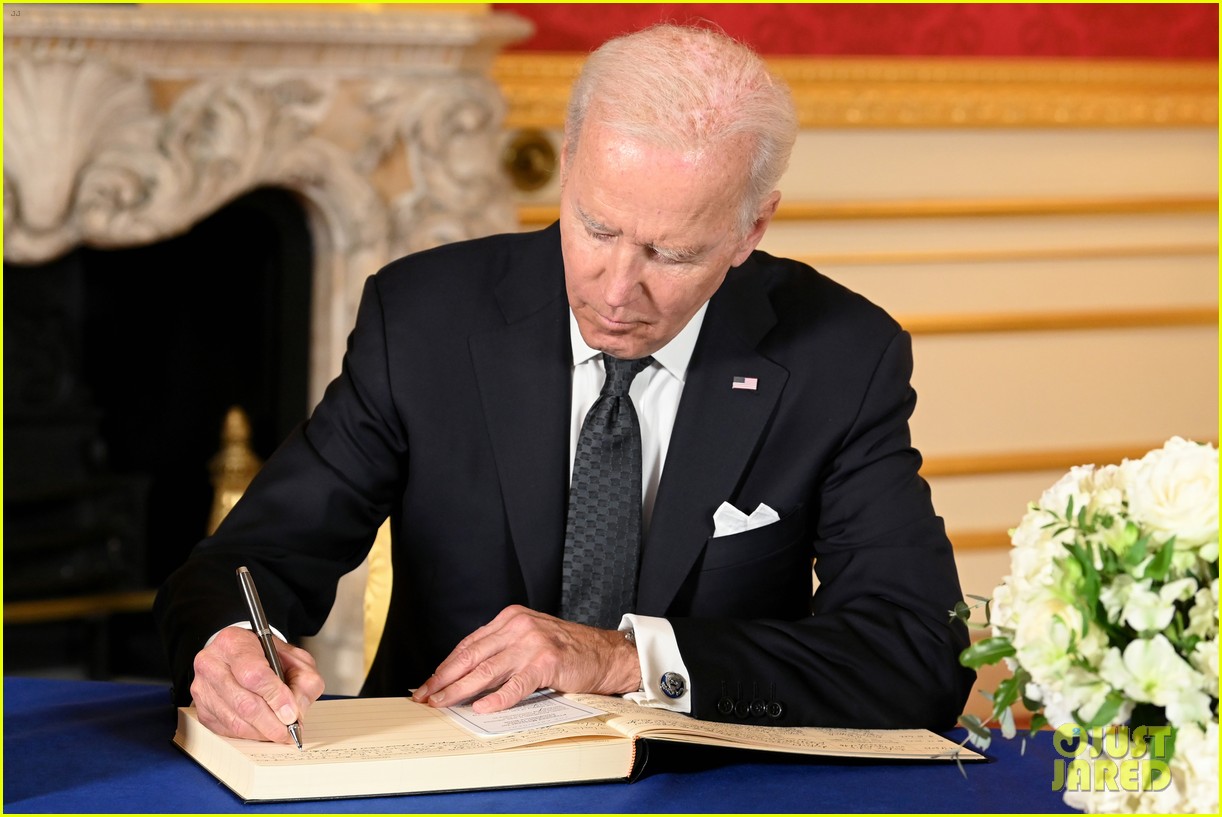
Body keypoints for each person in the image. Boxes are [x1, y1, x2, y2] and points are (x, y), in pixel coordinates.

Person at [155, 23, 975, 746]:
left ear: (749, 230)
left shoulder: (841, 355)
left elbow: (916, 651)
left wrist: (627, 657)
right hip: (436, 773)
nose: (617, 289)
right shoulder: (424, 319)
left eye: (672, 253)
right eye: (596, 227)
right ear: (568, 168)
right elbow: (259, 554)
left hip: (702, 789)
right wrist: (231, 643)